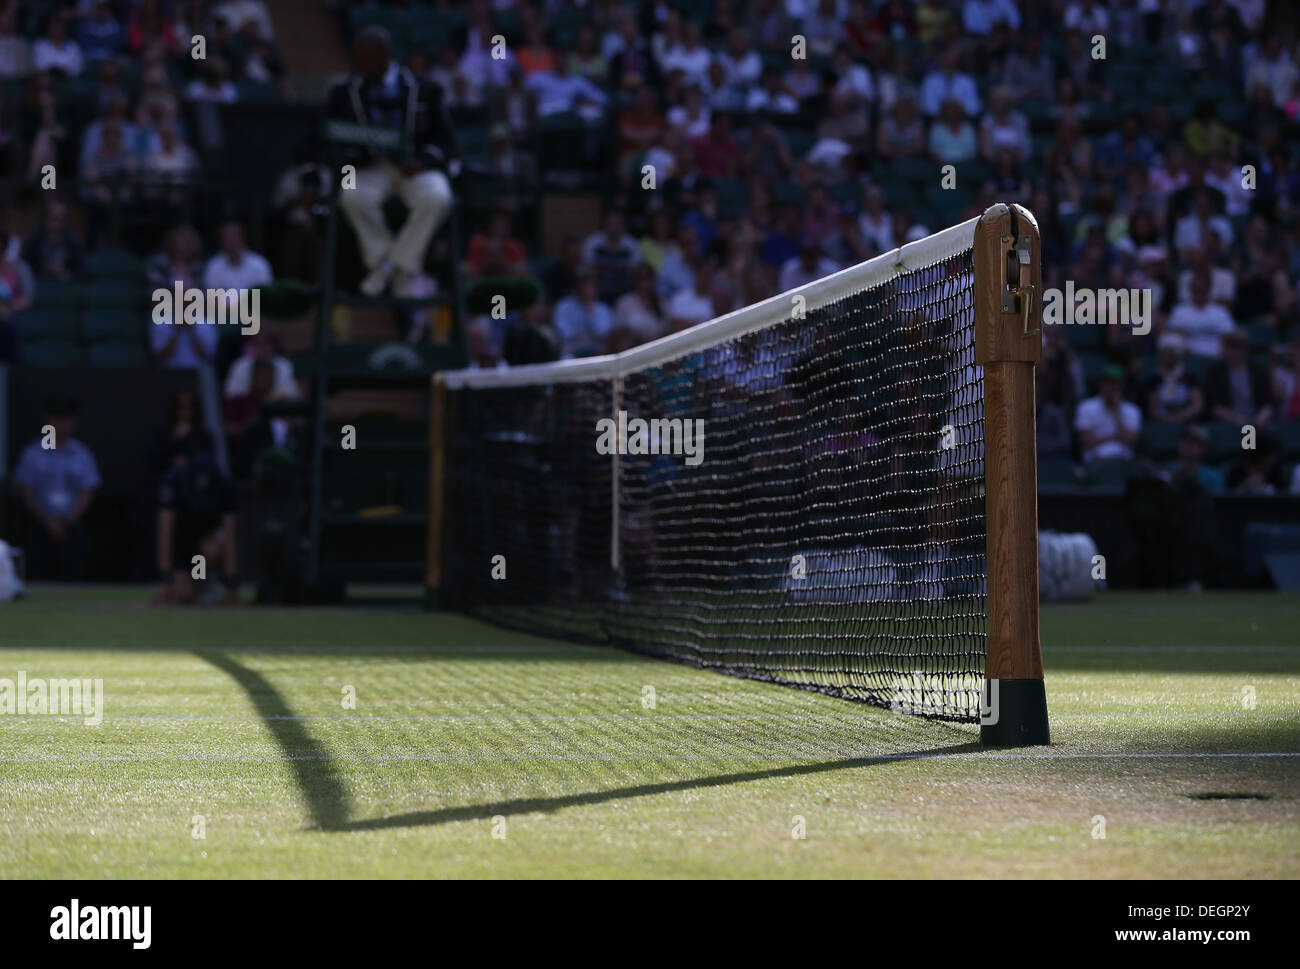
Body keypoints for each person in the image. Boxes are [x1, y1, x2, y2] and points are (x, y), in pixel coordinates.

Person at [327, 27, 457, 297]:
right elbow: (332, 138)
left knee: (439, 197)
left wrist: (422, 160)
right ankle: (386, 262)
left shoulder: (425, 88)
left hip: (415, 166)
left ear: (385, 55)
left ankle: (398, 266)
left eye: (366, 59)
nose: (359, 66)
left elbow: (446, 140)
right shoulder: (345, 91)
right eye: (357, 59)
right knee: (350, 195)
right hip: (370, 168)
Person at [12, 395, 101, 581]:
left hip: (72, 524)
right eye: (58, 419)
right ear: (49, 420)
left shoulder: (81, 454)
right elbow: (26, 491)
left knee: (75, 572)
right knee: (38, 573)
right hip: (40, 524)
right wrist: (48, 521)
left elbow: (87, 493)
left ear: (74, 422)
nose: (62, 425)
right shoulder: (33, 453)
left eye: (67, 419)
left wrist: (68, 520)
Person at [150, 445, 239, 605]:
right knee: (184, 597)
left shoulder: (226, 486)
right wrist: (165, 578)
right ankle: (185, 583)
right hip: (180, 545)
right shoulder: (173, 483)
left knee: (212, 550)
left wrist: (231, 584)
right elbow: (165, 533)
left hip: (202, 551)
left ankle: (204, 582)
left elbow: (230, 536)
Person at [1204, 329, 1275, 425]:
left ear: (1247, 349)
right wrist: (1238, 420)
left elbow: (1269, 403)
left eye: (1240, 347)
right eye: (1232, 347)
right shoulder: (1215, 373)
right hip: (1228, 422)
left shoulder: (1259, 371)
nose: (1236, 352)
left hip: (1257, 421)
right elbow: (1214, 407)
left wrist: (1260, 419)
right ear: (1225, 348)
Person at [1075, 365, 1141, 464]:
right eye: (1107, 383)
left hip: (1123, 462)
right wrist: (1114, 437)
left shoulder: (1132, 410)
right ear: (1101, 384)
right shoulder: (1086, 406)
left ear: (1122, 385)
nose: (1111, 387)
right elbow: (1087, 442)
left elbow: (1129, 442)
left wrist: (1116, 411)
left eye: (1115, 383)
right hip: (1095, 461)